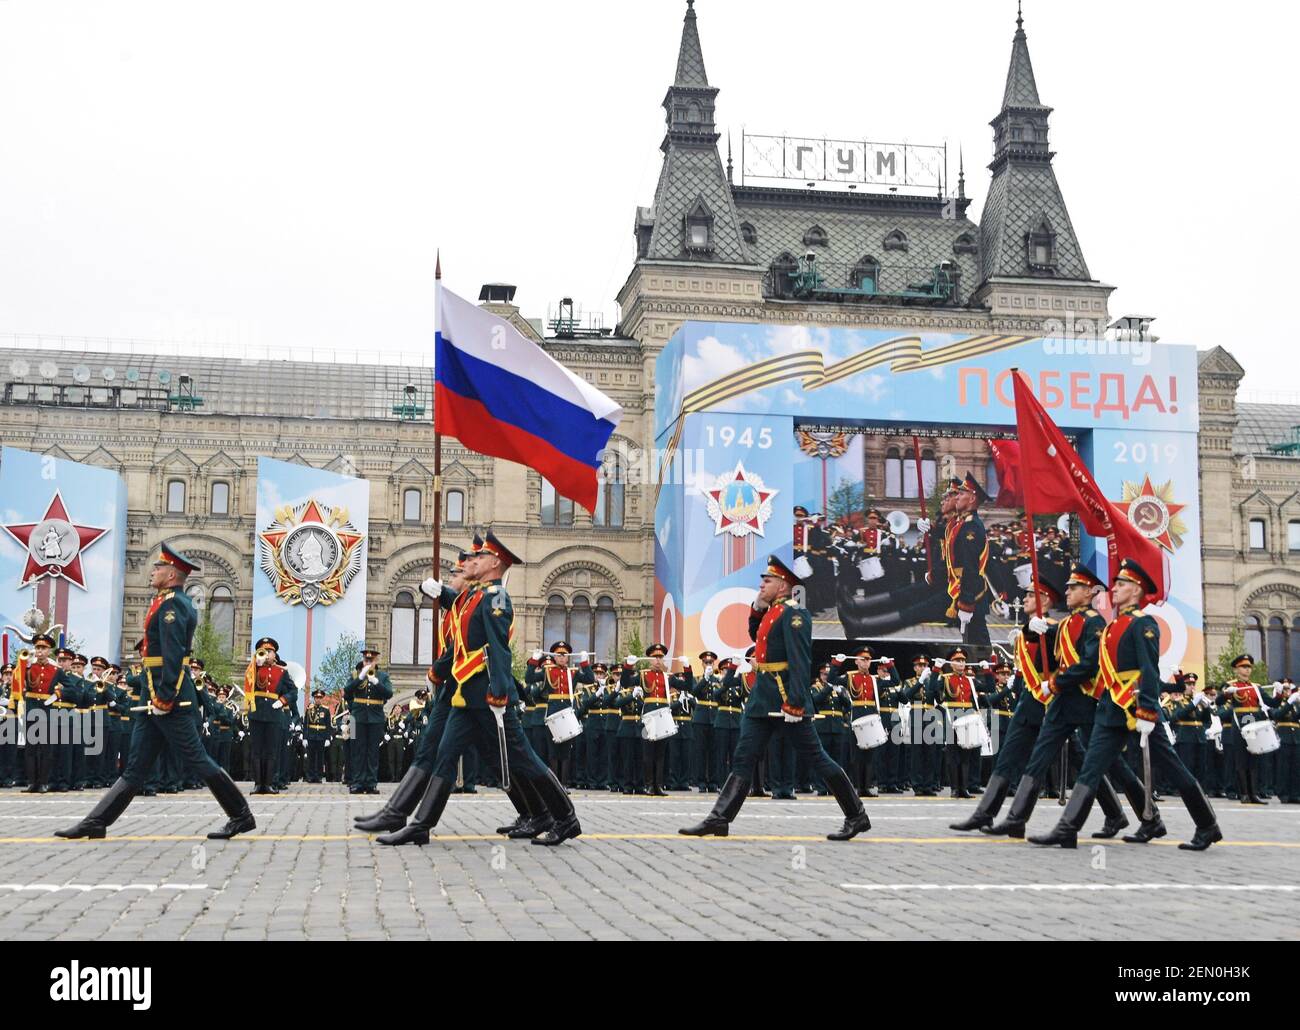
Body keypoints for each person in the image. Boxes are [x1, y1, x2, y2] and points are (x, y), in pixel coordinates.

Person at [375, 530, 577, 847]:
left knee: (524, 760)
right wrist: (438, 591)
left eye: (480, 556)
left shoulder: (496, 597)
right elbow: (459, 607)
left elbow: (499, 649)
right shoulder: (477, 595)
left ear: (495, 562)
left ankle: (566, 818)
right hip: (465, 696)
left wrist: (499, 691)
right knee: (444, 756)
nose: (473, 560)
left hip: (488, 697)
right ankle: (420, 825)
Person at [55, 542, 254, 840]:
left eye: (159, 567)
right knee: (136, 766)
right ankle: (96, 821)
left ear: (172, 574)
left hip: (169, 698)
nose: (153, 571)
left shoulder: (174, 605)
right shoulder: (166, 600)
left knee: (198, 759)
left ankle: (241, 816)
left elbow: (173, 656)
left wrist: (164, 696)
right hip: (154, 696)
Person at [1028, 558, 1221, 851]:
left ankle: (1207, 825)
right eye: (1116, 583)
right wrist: (1048, 630)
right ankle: (1067, 829)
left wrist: (1145, 709)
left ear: (1136, 590)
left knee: (1172, 766)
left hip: (1135, 708)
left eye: (1121, 584)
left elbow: (1149, 670)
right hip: (1110, 706)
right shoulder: (1113, 624)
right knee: (1091, 768)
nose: (1114, 588)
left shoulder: (1143, 625)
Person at [679, 555, 870, 840]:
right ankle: (719, 819)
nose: (761, 585)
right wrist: (755, 610)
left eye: (767, 581)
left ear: (783, 585)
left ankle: (857, 816)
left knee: (817, 758)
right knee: (743, 757)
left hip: (784, 700)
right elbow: (756, 635)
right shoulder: (772, 611)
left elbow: (799, 659)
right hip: (763, 699)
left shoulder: (795, 613)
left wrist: (795, 701)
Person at [985, 563, 1147, 841]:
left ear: (1089, 592)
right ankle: (1017, 819)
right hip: (1063, 702)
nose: (1068, 591)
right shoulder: (1069, 621)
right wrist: (1034, 629)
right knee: (1043, 758)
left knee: (1105, 763)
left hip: (1085, 700)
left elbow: (1087, 663)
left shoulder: (1095, 622)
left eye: (1074, 587)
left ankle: (1144, 815)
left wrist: (1054, 683)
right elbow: (1057, 637)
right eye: (1069, 586)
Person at [951, 569, 1063, 830]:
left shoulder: (1056, 628)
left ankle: (1115, 811)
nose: (1023, 599)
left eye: (1029, 595)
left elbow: (1061, 660)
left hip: (1050, 705)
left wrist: (1044, 633)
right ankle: (986, 813)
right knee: (1007, 758)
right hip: (1027, 703)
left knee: (1088, 761)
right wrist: (1029, 633)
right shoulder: (1029, 628)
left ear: (1045, 600)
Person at [244, 638, 296, 794]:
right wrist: (256, 663)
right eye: (263, 651)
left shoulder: (281, 671)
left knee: (271, 750)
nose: (266, 654)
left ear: (275, 654)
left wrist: (282, 700)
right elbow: (248, 682)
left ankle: (269, 783)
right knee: (257, 750)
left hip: (273, 714)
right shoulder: (254, 669)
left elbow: (293, 691)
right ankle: (258, 784)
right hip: (257, 713)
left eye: (270, 652)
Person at [1221, 654, 1274, 804]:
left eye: (1249, 667)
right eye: (1244, 667)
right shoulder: (1231, 685)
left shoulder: (1255, 687)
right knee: (1241, 759)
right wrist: (1227, 693)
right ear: (1237, 669)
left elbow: (1272, 703)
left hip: (1253, 725)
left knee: (1253, 759)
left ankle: (1253, 793)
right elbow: (1219, 701)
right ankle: (1243, 793)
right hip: (1239, 725)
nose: (1247, 670)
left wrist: (1280, 692)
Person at [346, 645, 393, 794]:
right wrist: (360, 678)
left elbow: (389, 694)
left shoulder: (383, 676)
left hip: (375, 718)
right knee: (358, 751)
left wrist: (376, 682)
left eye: (371, 660)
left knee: (373, 752)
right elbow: (347, 691)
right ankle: (358, 782)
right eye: (366, 660)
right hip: (358, 717)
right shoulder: (355, 675)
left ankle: (371, 783)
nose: (368, 662)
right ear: (363, 660)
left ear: (375, 661)